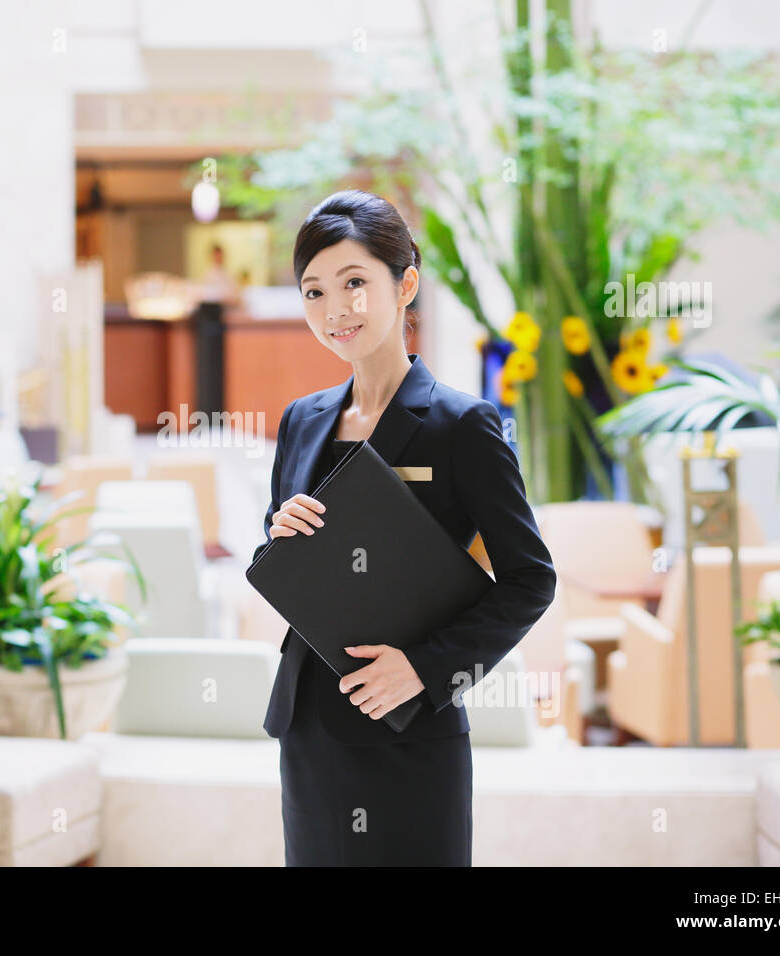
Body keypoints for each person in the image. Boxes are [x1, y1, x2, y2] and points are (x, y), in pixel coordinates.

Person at [252, 189, 557, 866]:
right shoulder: (302, 420)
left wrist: (423, 670)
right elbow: (278, 563)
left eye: (355, 283)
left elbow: (531, 581)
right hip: (309, 731)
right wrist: (280, 535)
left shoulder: (462, 425)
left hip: (410, 735)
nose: (336, 310)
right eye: (314, 291)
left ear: (405, 284)